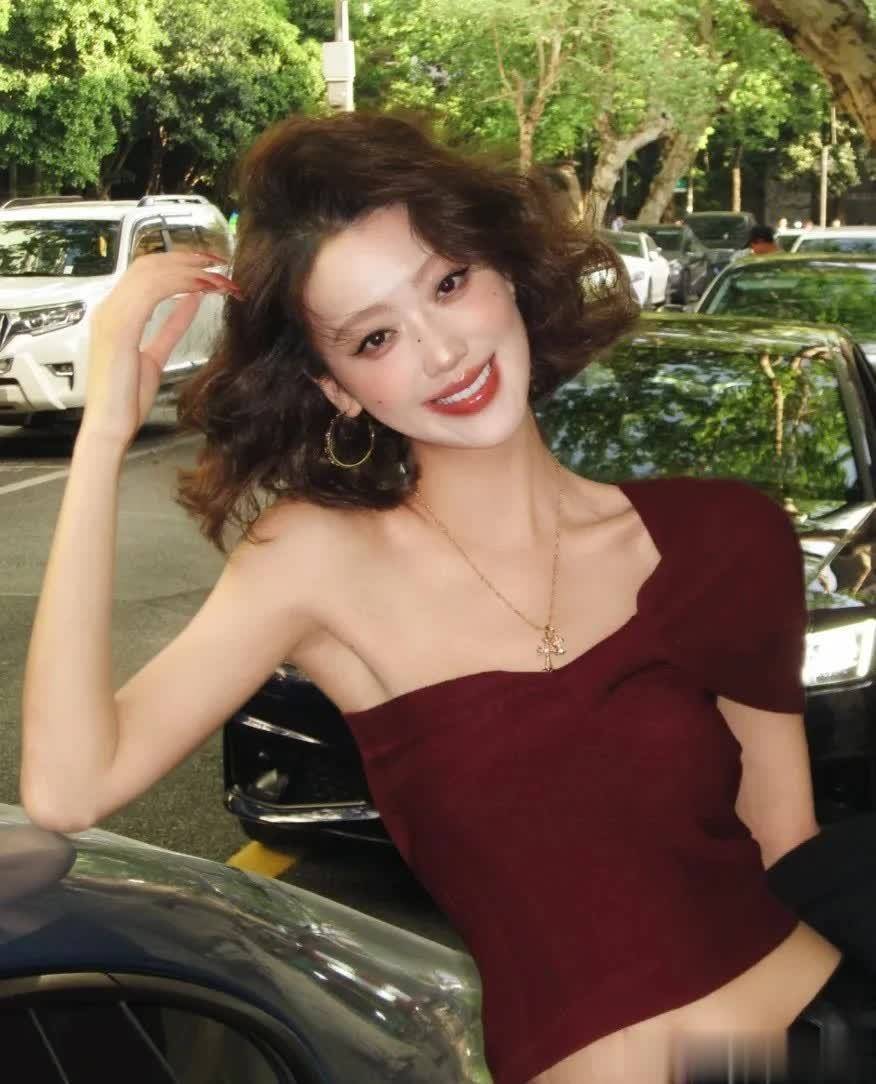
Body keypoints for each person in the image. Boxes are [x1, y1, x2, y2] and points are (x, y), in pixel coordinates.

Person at [19, 111, 860, 1084]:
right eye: (376, 336)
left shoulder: (722, 538)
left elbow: (788, 855)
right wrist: (103, 432)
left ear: (504, 271)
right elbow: (69, 787)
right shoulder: (313, 559)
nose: (441, 350)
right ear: (337, 386)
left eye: (449, 283)